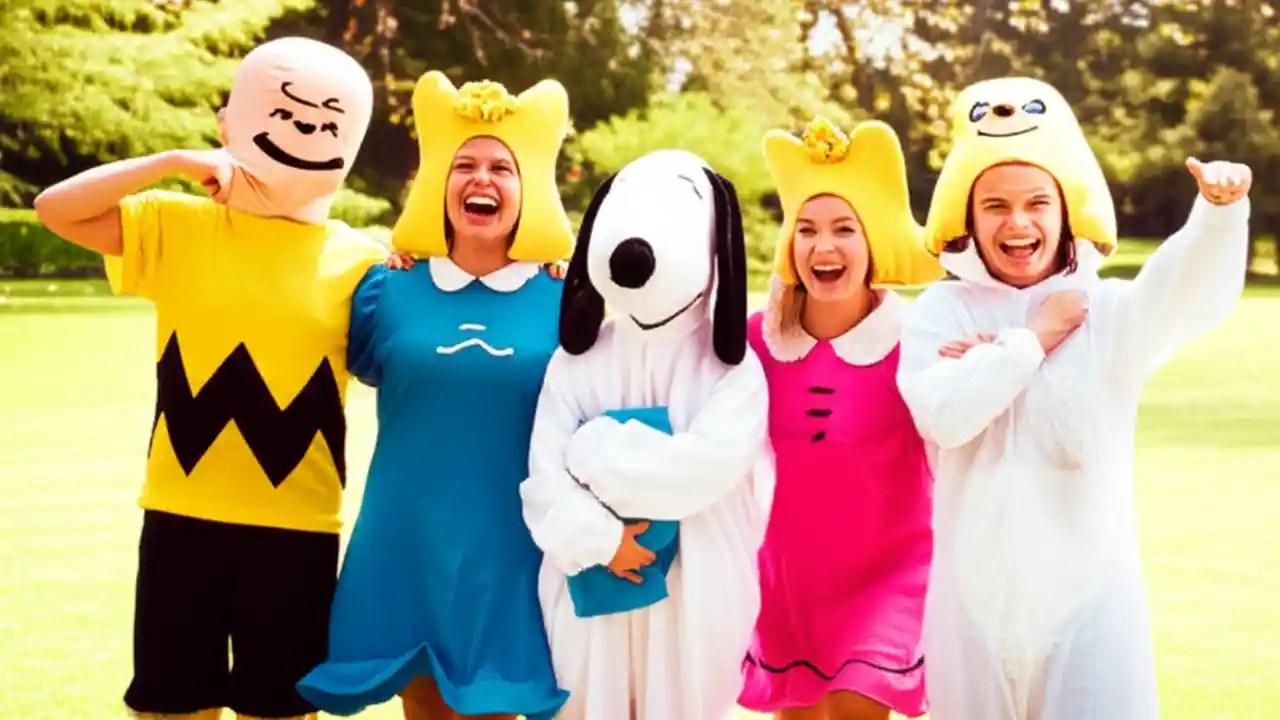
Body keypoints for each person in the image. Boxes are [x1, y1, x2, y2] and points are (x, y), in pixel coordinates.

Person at [32, 37, 383, 720]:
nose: (306, 133)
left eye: (325, 123)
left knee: (280, 708)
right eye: (286, 116)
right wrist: (174, 162)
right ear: (230, 123)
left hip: (299, 526)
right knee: (168, 704)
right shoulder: (177, 224)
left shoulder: (360, 258)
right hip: (179, 515)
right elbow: (56, 208)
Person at [896, 76, 1253, 719]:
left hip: (1090, 602)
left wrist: (1218, 215)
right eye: (995, 206)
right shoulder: (942, 312)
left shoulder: (1108, 311)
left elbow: (1181, 292)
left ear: (1066, 212)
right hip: (971, 606)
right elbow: (945, 415)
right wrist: (1030, 340)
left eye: (1037, 202)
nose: (1018, 222)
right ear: (968, 218)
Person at [295, 70, 573, 720]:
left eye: (501, 167)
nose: (482, 179)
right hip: (406, 538)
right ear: (436, 183)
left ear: (526, 186)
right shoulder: (383, 291)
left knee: (494, 704)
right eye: (464, 164)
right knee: (422, 706)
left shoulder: (567, 298)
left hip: (512, 544)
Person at [737, 117, 943, 720]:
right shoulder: (756, 341)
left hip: (892, 578)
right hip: (789, 583)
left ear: (871, 241)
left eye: (843, 229)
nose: (823, 247)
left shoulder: (918, 339)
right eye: (807, 230)